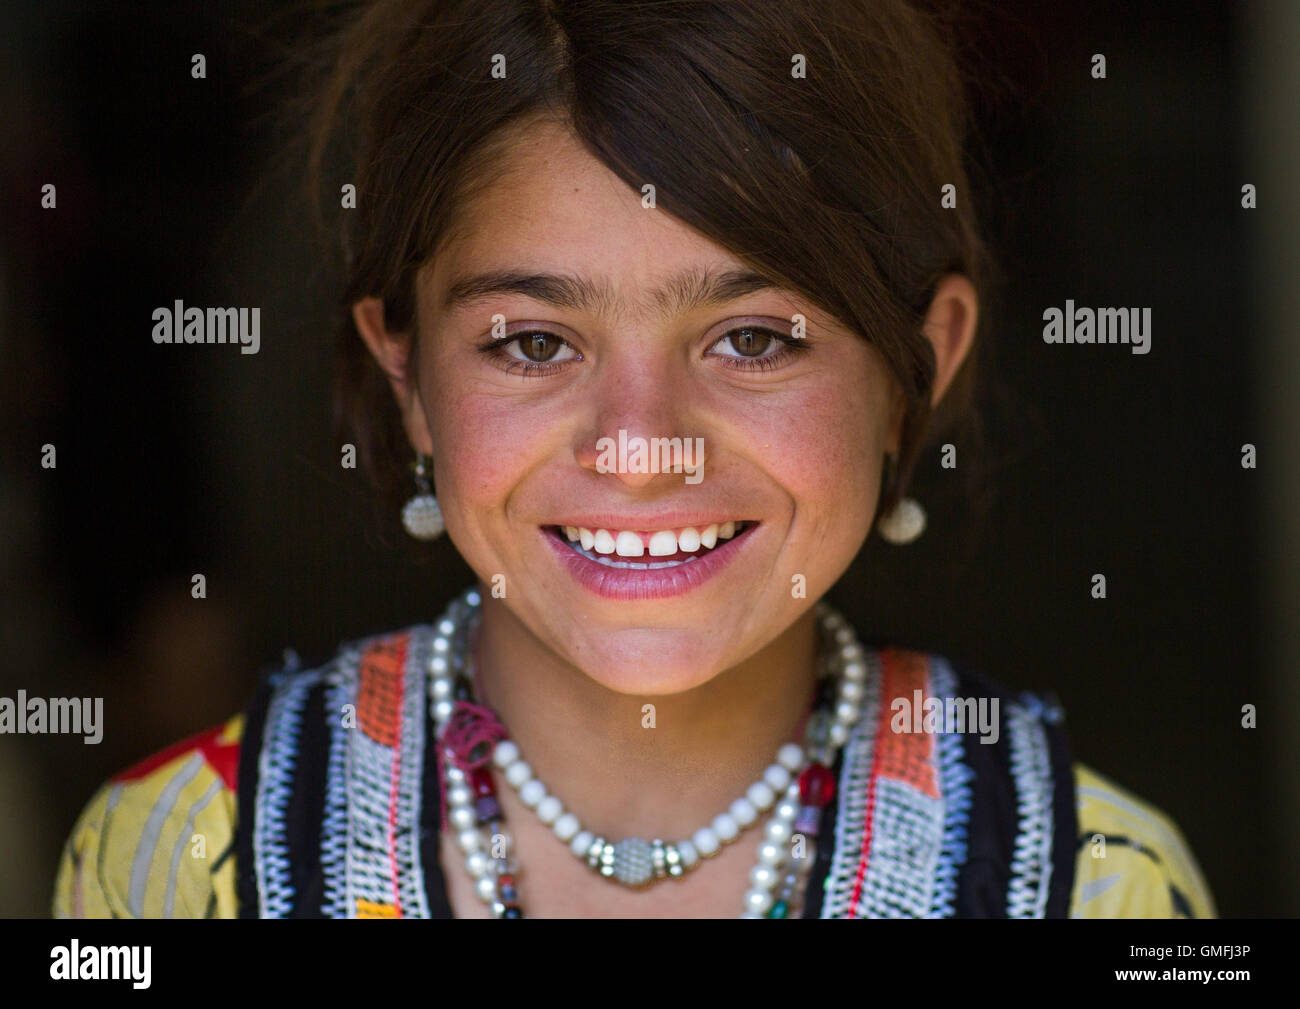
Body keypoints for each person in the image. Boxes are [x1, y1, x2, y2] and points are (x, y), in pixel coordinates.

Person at [53, 0, 1213, 919]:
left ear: (918, 367)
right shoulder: (175, 865)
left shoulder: (1098, 883)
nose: (640, 449)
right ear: (408, 380)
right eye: (533, 343)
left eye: (752, 339)